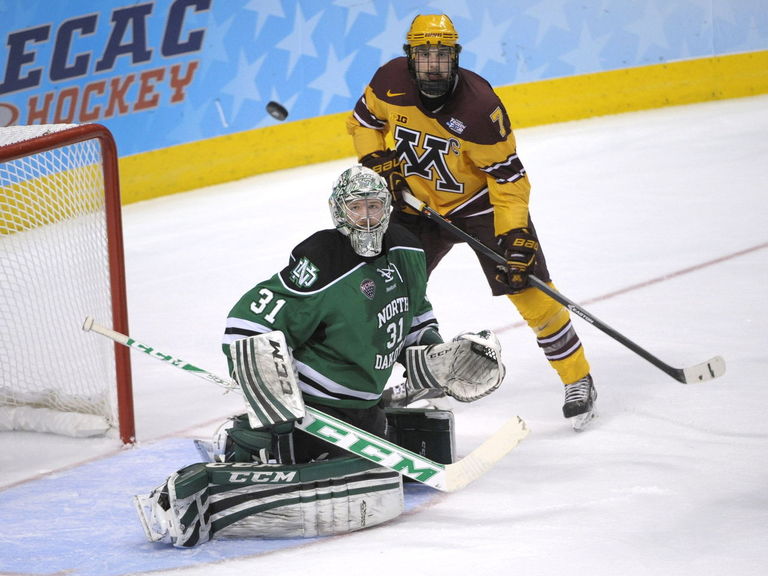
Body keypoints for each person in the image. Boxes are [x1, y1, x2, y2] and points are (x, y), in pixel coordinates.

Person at [133, 165, 505, 547]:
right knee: (333, 466)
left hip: (365, 406)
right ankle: (248, 442)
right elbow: (248, 322)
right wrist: (268, 381)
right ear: (338, 210)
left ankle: (255, 438)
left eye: (374, 207)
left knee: (371, 463)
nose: (366, 218)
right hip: (314, 410)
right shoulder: (324, 260)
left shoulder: (407, 249)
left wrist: (434, 354)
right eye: (355, 208)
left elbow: (415, 315)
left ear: (387, 208)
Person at [346, 14, 597, 429]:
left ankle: (578, 378)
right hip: (417, 203)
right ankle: (424, 374)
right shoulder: (389, 81)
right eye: (424, 55)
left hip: (482, 207)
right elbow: (364, 122)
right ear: (409, 57)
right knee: (394, 292)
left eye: (442, 56)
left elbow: (507, 178)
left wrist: (514, 233)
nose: (433, 66)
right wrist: (376, 159)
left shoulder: (480, 108)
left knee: (530, 291)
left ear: (456, 57)